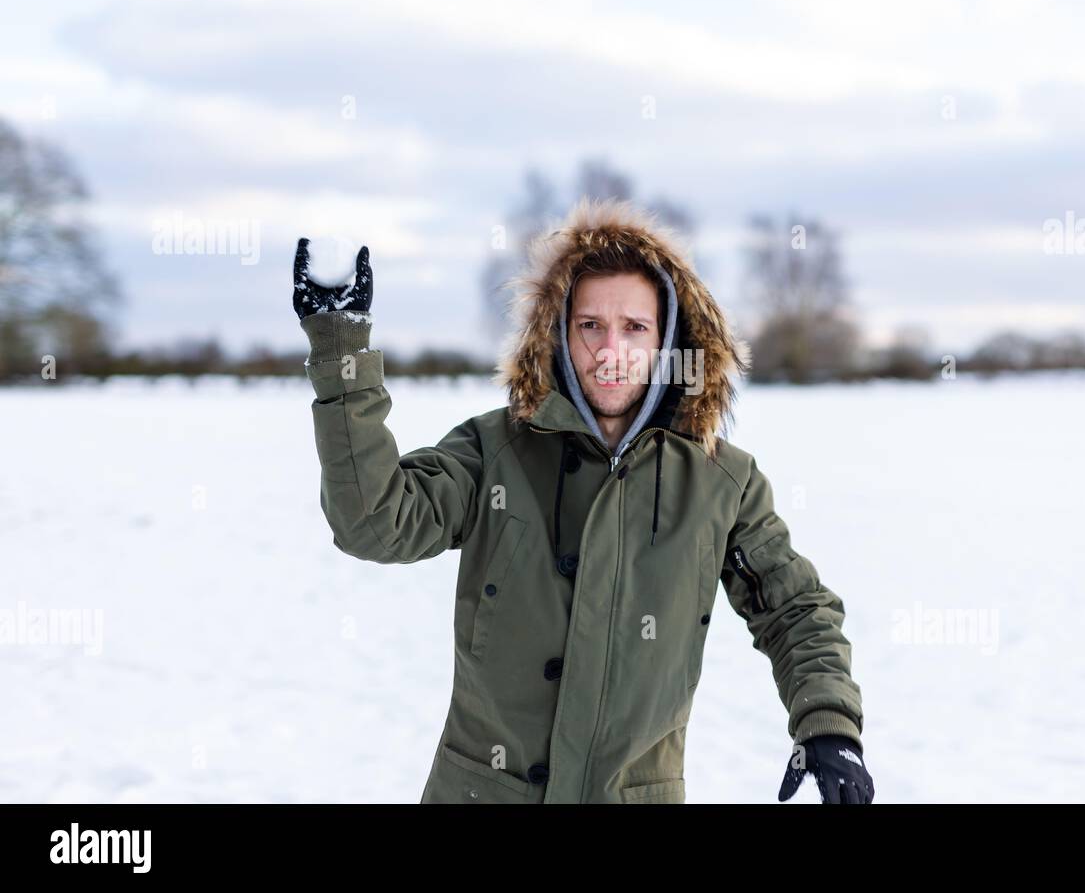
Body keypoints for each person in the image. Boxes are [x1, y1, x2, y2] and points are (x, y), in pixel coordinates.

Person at [292, 196, 873, 804]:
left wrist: (829, 727)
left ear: (670, 341)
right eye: (590, 325)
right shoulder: (493, 450)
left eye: (635, 328)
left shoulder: (721, 483)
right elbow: (376, 524)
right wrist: (341, 351)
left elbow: (796, 611)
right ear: (559, 332)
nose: (609, 350)